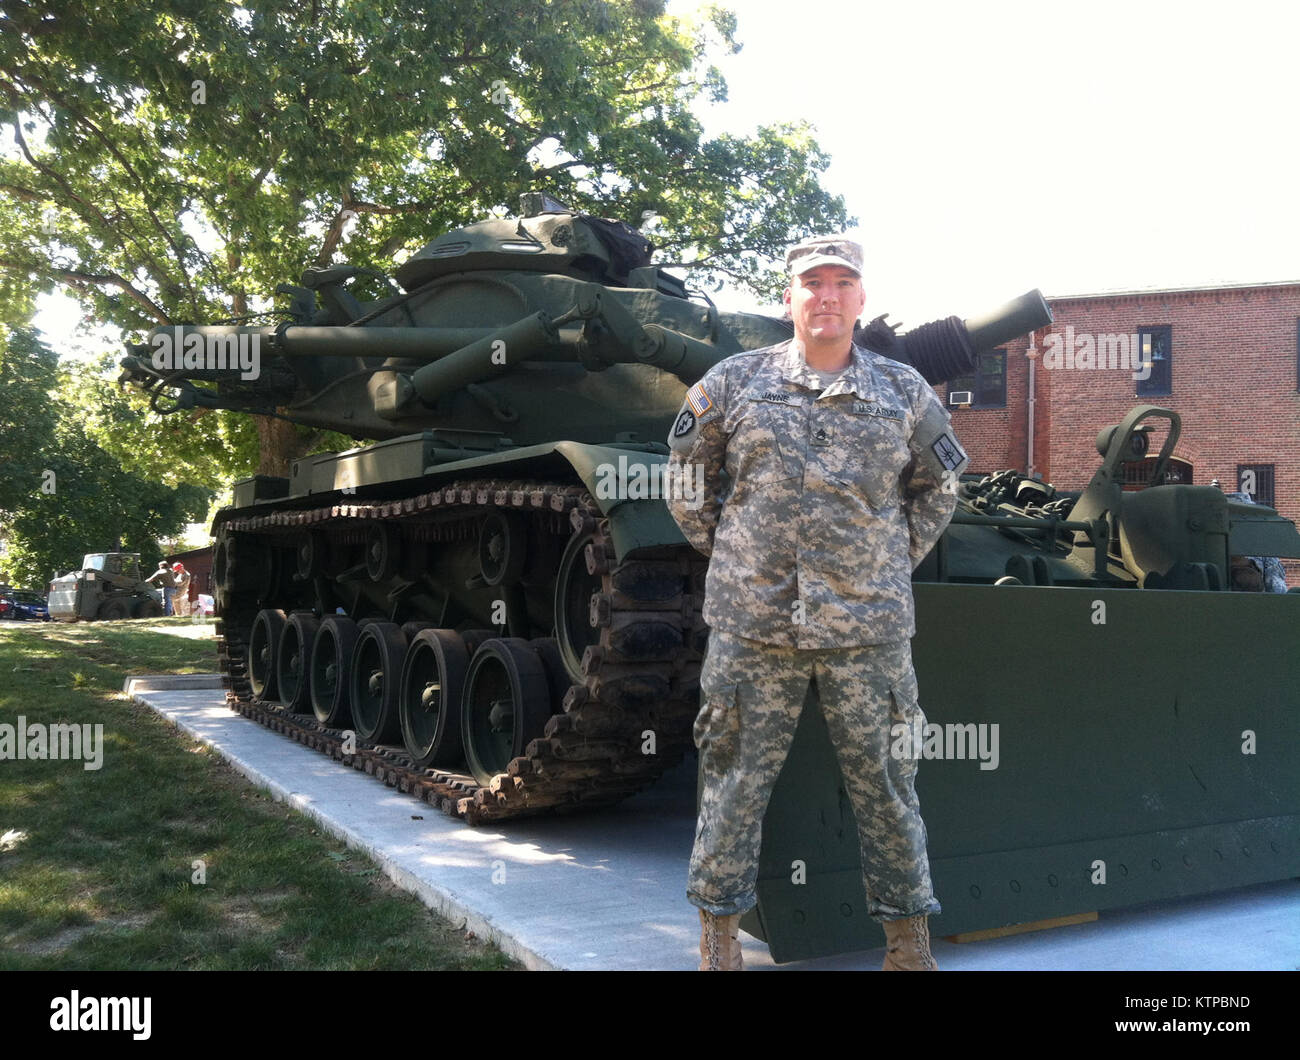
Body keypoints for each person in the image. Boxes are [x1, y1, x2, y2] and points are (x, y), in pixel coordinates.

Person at [666, 236, 967, 971]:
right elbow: (684, 482)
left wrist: (885, 562)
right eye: (812, 283)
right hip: (753, 628)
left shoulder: (903, 392)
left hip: (869, 632)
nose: (826, 296)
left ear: (861, 299)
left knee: (890, 793)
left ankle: (907, 948)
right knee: (731, 785)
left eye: (842, 283)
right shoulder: (733, 384)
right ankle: (718, 947)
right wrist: (737, 558)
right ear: (789, 297)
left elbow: (941, 489)